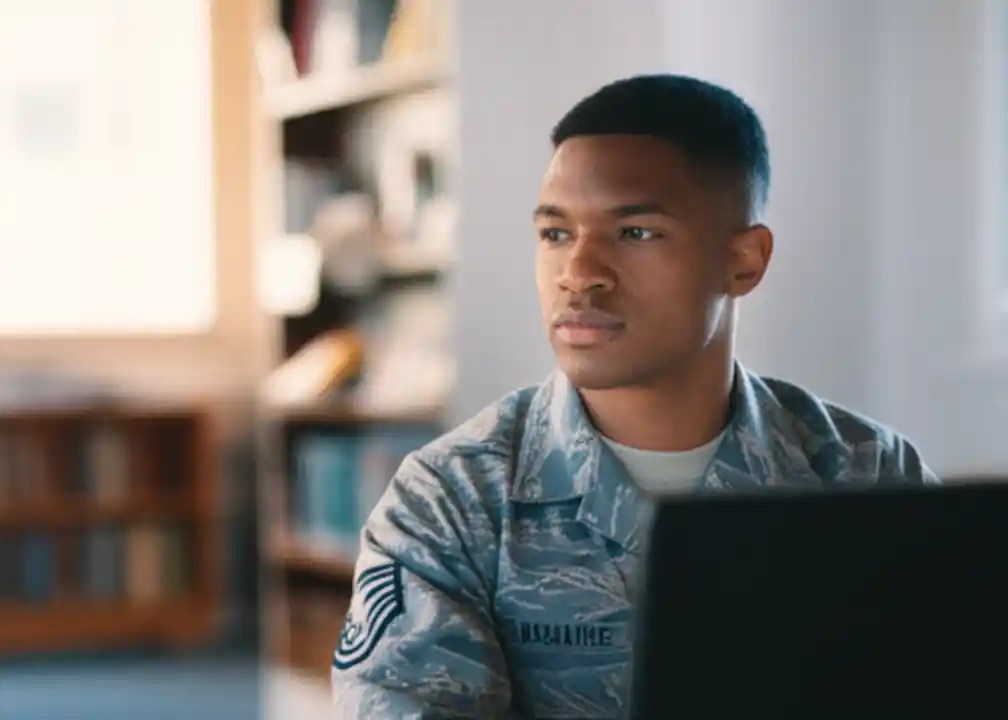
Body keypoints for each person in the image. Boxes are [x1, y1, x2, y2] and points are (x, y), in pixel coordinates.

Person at [329, 74, 938, 719]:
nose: (580, 274)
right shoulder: (454, 500)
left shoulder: (866, 477)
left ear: (745, 261)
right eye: (556, 234)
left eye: (636, 233)